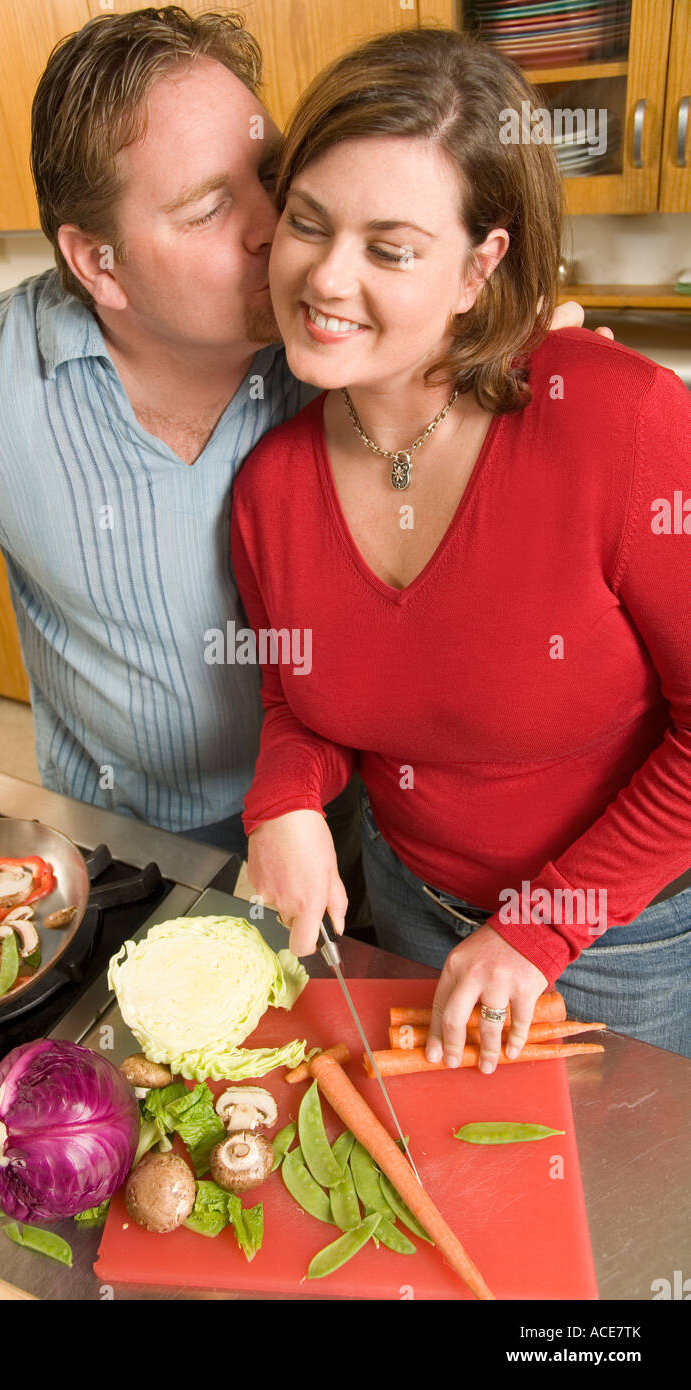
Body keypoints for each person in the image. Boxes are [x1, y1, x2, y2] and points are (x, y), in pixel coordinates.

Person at [0, 11, 596, 876]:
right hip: (126, 837)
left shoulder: (339, 342)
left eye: (271, 176)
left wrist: (541, 369)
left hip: (345, 819)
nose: (281, 229)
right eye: (207, 209)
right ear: (99, 264)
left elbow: (478, 343)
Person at [232, 26, 691, 1064]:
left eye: (389, 249)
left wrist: (541, 926)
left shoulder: (619, 424)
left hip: (618, 936)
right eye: (307, 223)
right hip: (405, 905)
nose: (324, 278)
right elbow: (297, 695)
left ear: (480, 265)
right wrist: (283, 801)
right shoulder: (269, 485)